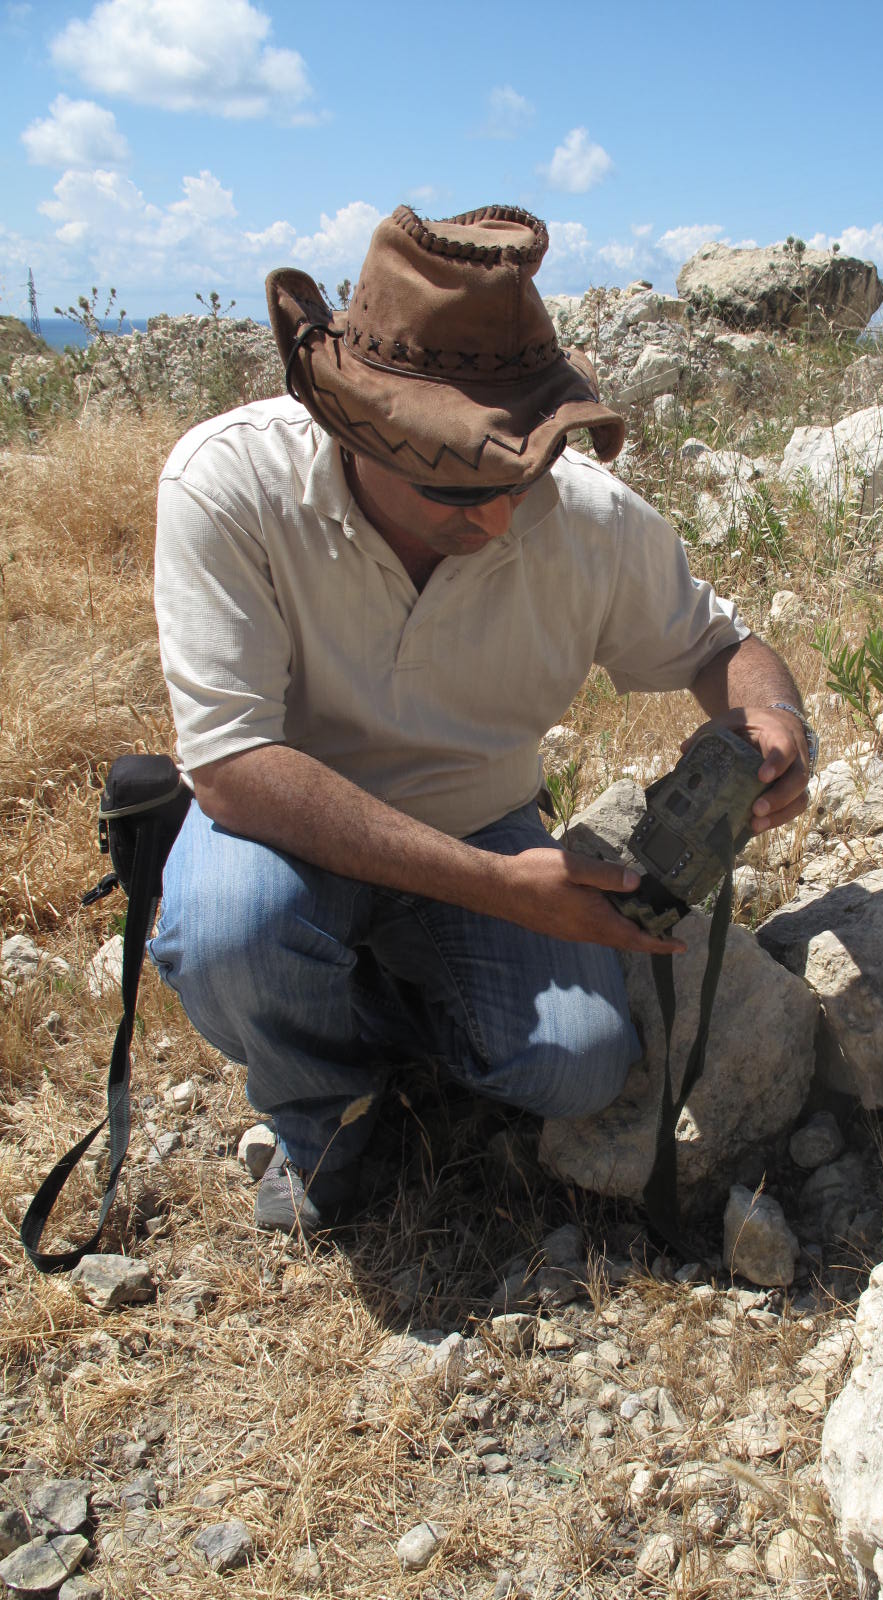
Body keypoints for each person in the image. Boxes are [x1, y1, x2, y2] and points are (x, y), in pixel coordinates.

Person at [149, 203, 814, 1236]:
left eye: (519, 471)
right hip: (282, 829)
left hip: (479, 823)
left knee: (581, 1062)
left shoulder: (587, 518)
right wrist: (509, 891)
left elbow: (721, 649)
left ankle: (373, 1009)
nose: (500, 517)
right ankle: (325, 1102)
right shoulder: (229, 486)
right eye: (453, 484)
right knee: (237, 929)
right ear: (349, 428)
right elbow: (234, 767)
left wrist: (773, 722)